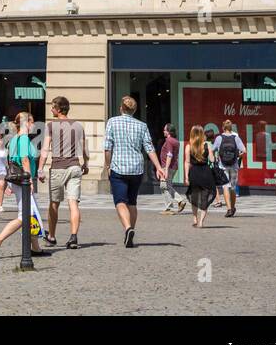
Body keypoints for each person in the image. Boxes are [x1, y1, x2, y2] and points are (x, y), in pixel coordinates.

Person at [103, 95, 165, 248]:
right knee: (132, 201)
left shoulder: (112, 122)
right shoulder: (142, 125)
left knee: (120, 201)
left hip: (119, 167)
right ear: (135, 110)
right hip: (136, 168)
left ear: (121, 108)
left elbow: (107, 147)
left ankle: (128, 228)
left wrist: (107, 165)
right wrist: (158, 167)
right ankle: (131, 231)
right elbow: (149, 148)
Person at [0, 111, 44, 259]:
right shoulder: (24, 139)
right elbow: (24, 159)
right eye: (32, 122)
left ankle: (36, 248)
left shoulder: (14, 139)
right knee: (25, 215)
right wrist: (30, 181)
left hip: (17, 180)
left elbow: (10, 161)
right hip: (23, 181)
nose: (33, 125)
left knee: (31, 213)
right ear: (26, 123)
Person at [41, 96, 89, 248]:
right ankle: (73, 237)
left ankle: (52, 236)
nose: (51, 109)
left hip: (58, 169)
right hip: (75, 168)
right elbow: (84, 148)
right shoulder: (78, 126)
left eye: (53, 107)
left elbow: (45, 149)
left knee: (54, 204)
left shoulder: (50, 126)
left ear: (59, 109)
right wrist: (86, 164)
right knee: (73, 203)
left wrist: (40, 168)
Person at [185, 126, 218, 228]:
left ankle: (195, 218)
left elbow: (187, 162)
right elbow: (212, 160)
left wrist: (186, 176)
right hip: (206, 173)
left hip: (194, 173)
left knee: (194, 196)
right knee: (205, 197)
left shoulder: (188, 146)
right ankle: (201, 222)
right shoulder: (207, 145)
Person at [212, 120, 245, 217]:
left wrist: (214, 157)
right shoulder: (236, 138)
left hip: (223, 166)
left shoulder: (219, 138)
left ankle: (229, 209)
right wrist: (237, 155)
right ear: (231, 128)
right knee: (233, 187)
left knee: (225, 186)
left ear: (222, 128)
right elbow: (244, 150)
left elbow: (213, 149)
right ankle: (233, 207)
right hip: (234, 165)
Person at [158, 124, 186, 215]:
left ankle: (172, 206)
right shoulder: (176, 141)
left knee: (164, 186)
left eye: (165, 130)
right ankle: (177, 203)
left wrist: (165, 169)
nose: (163, 131)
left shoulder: (169, 141)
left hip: (168, 167)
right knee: (167, 185)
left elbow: (169, 154)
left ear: (169, 131)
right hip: (173, 166)